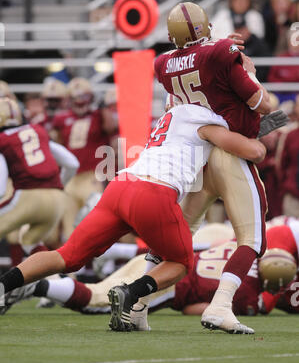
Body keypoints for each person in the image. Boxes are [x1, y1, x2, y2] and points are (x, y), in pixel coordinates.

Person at [0, 101, 267, 332]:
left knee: (68, 255)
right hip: (153, 193)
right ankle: (130, 293)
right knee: (181, 263)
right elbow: (254, 152)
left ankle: (4, 284)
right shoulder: (204, 120)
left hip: (120, 186)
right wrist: (257, 139)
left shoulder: (171, 114)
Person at [145, 1, 277, 335]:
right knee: (252, 236)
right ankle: (220, 306)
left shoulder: (163, 64)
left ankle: (138, 303)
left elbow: (198, 68)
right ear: (206, 27)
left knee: (179, 233)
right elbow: (263, 104)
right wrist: (249, 72)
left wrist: (220, 50)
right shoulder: (221, 53)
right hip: (230, 150)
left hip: (198, 153)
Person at [3, 224, 296, 321]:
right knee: (99, 302)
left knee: (215, 232)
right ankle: (37, 288)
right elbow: (197, 309)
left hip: (164, 259)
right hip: (167, 282)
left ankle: (46, 280)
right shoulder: (247, 295)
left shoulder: (247, 247)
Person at [0, 97, 79, 258]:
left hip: (28, 196)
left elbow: (1, 187)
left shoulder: (3, 140)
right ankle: (60, 282)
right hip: (56, 201)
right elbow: (72, 163)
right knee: (31, 242)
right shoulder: (38, 131)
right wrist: (58, 186)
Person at [52, 77, 117, 239]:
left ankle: (101, 264)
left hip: (92, 176)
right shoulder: (61, 119)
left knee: (96, 223)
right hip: (70, 179)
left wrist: (103, 109)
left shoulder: (98, 115)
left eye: (84, 97)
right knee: (69, 227)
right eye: (76, 98)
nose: (80, 102)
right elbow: (58, 145)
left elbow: (111, 127)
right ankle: (75, 264)